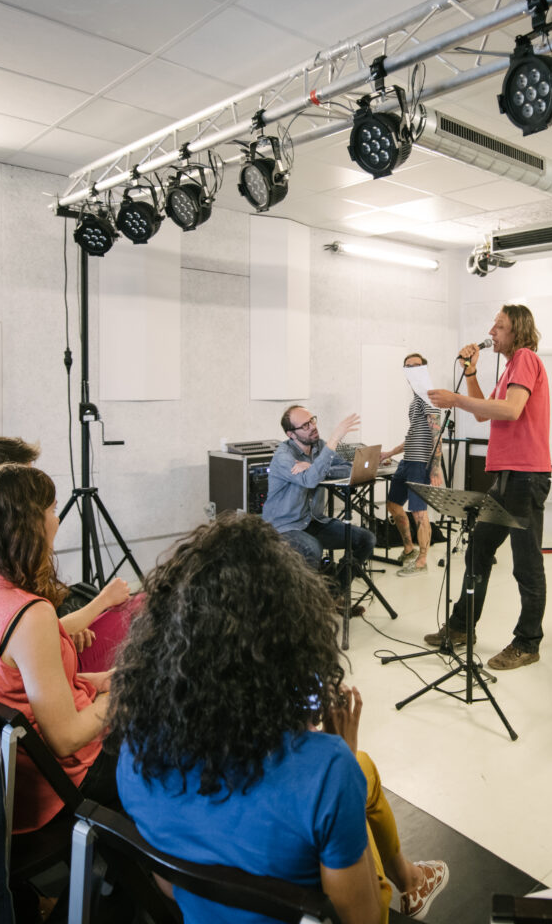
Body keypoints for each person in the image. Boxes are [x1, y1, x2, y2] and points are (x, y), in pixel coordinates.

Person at [109, 513, 448, 924]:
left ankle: (410, 877)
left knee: (364, 770)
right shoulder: (326, 770)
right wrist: (341, 755)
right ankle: (410, 880)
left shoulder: (135, 751)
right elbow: (363, 920)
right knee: (357, 768)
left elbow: (170, 885)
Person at [0, 463, 117, 833]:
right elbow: (64, 740)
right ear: (26, 527)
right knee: (173, 740)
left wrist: (98, 683)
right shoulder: (29, 615)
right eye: (51, 510)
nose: (57, 520)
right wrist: (122, 696)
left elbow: (13, 684)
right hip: (53, 787)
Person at [0, 435, 132, 661]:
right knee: (131, 615)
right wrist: (79, 618)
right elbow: (18, 640)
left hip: (35, 646)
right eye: (25, 486)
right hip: (26, 665)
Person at [425, 304, 551, 671]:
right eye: (492, 326)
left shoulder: (526, 358)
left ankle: (528, 643)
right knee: (478, 549)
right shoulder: (510, 366)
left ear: (518, 331)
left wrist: (455, 399)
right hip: (507, 477)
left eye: (499, 327)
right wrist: (470, 373)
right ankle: (463, 626)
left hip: (526, 478)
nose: (491, 332)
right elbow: (484, 411)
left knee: (527, 566)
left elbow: (511, 411)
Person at [262, 407, 376, 573]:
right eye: (305, 426)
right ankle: (310, 597)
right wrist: (334, 439)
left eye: (312, 420)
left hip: (314, 521)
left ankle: (337, 591)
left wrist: (319, 469)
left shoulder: (319, 447)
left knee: (367, 539)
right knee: (312, 549)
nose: (312, 426)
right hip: (284, 527)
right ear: (291, 434)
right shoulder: (283, 456)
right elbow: (310, 480)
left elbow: (348, 469)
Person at [380, 353, 442, 578]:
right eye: (407, 367)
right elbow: (414, 437)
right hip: (407, 461)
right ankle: (409, 549)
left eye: (416, 366)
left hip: (420, 464)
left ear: (424, 369)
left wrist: (435, 469)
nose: (412, 370)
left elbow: (437, 434)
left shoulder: (428, 397)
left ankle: (422, 560)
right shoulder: (415, 399)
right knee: (393, 505)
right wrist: (390, 452)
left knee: (419, 512)